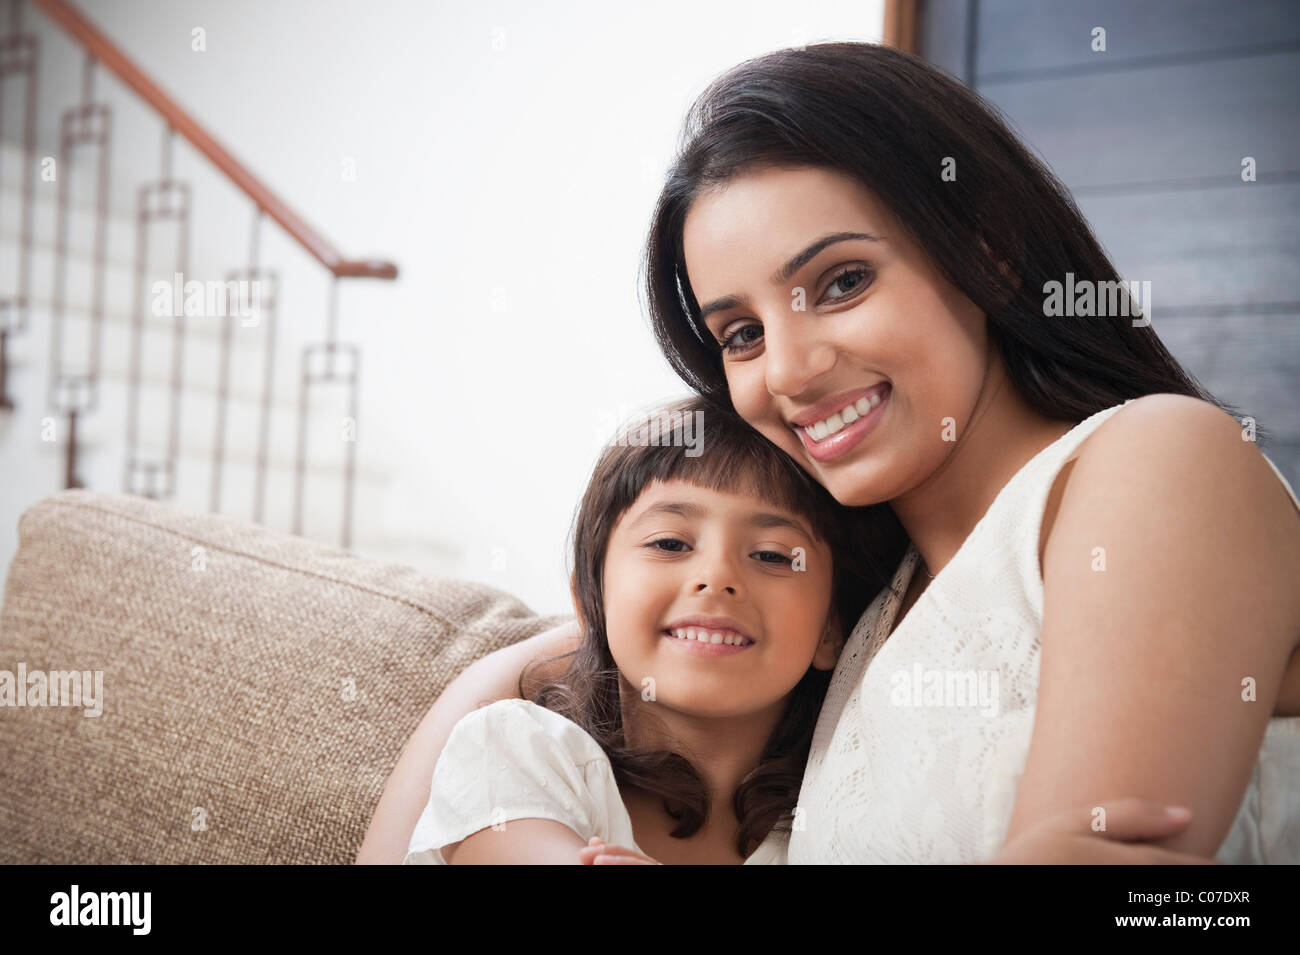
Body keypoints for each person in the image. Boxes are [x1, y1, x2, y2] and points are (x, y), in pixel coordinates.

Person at [360, 43, 1300, 864]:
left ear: (990, 252)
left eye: (841, 281)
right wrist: (529, 662)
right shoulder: (862, 615)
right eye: (741, 334)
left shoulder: (1154, 459)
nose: (791, 372)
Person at [403, 396, 898, 863]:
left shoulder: (838, 818)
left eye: (771, 555)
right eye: (670, 544)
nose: (718, 578)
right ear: (591, 601)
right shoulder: (520, 750)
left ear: (833, 630)